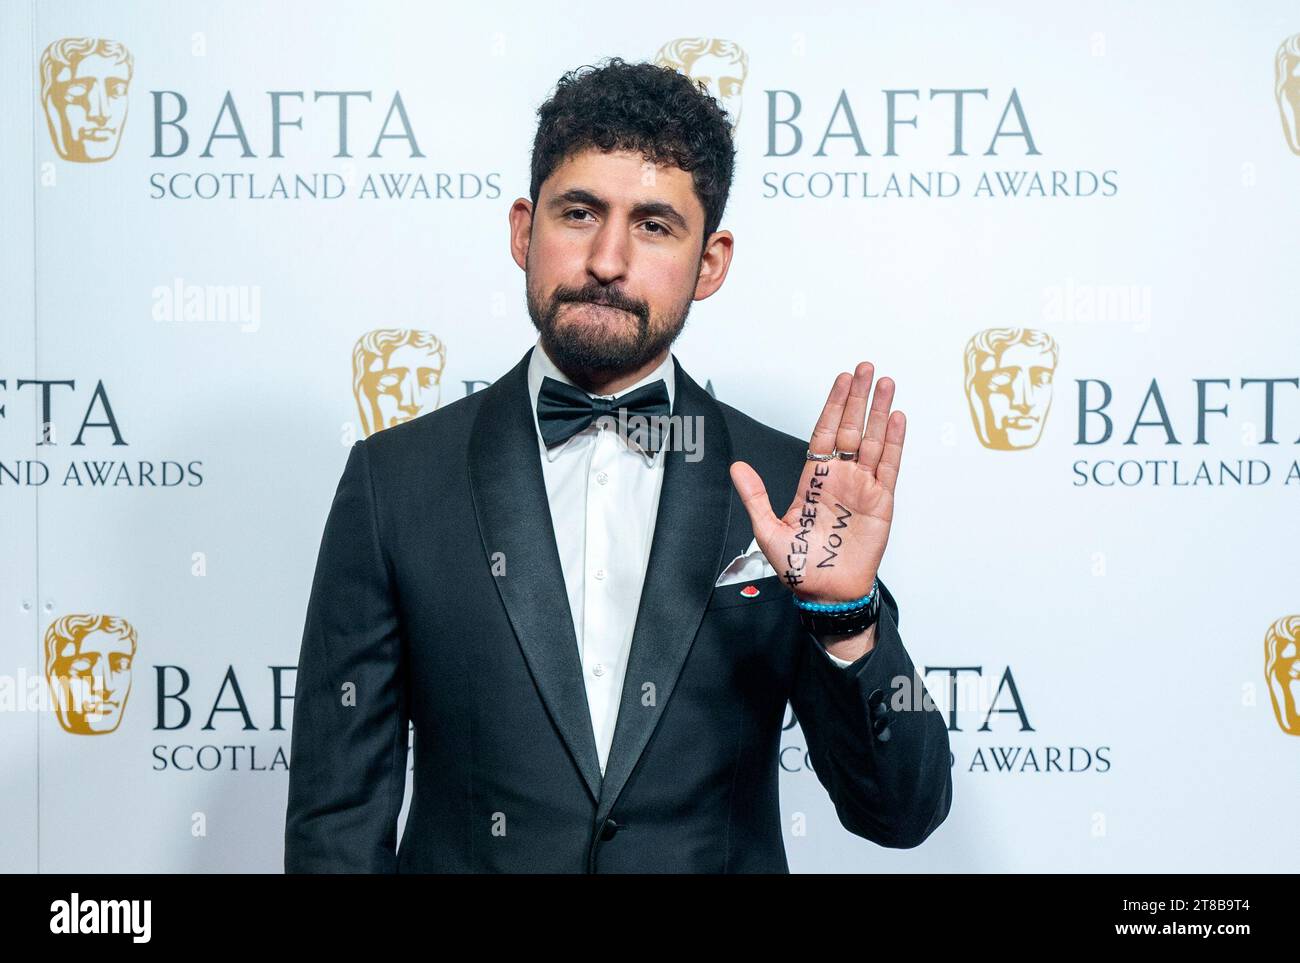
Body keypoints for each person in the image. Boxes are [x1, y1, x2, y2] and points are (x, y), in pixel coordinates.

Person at [284, 57, 951, 873]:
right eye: (579, 213)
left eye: (654, 225)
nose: (607, 258)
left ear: (710, 261)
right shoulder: (395, 482)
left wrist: (845, 619)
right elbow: (334, 826)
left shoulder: (786, 487)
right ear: (523, 231)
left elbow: (904, 812)